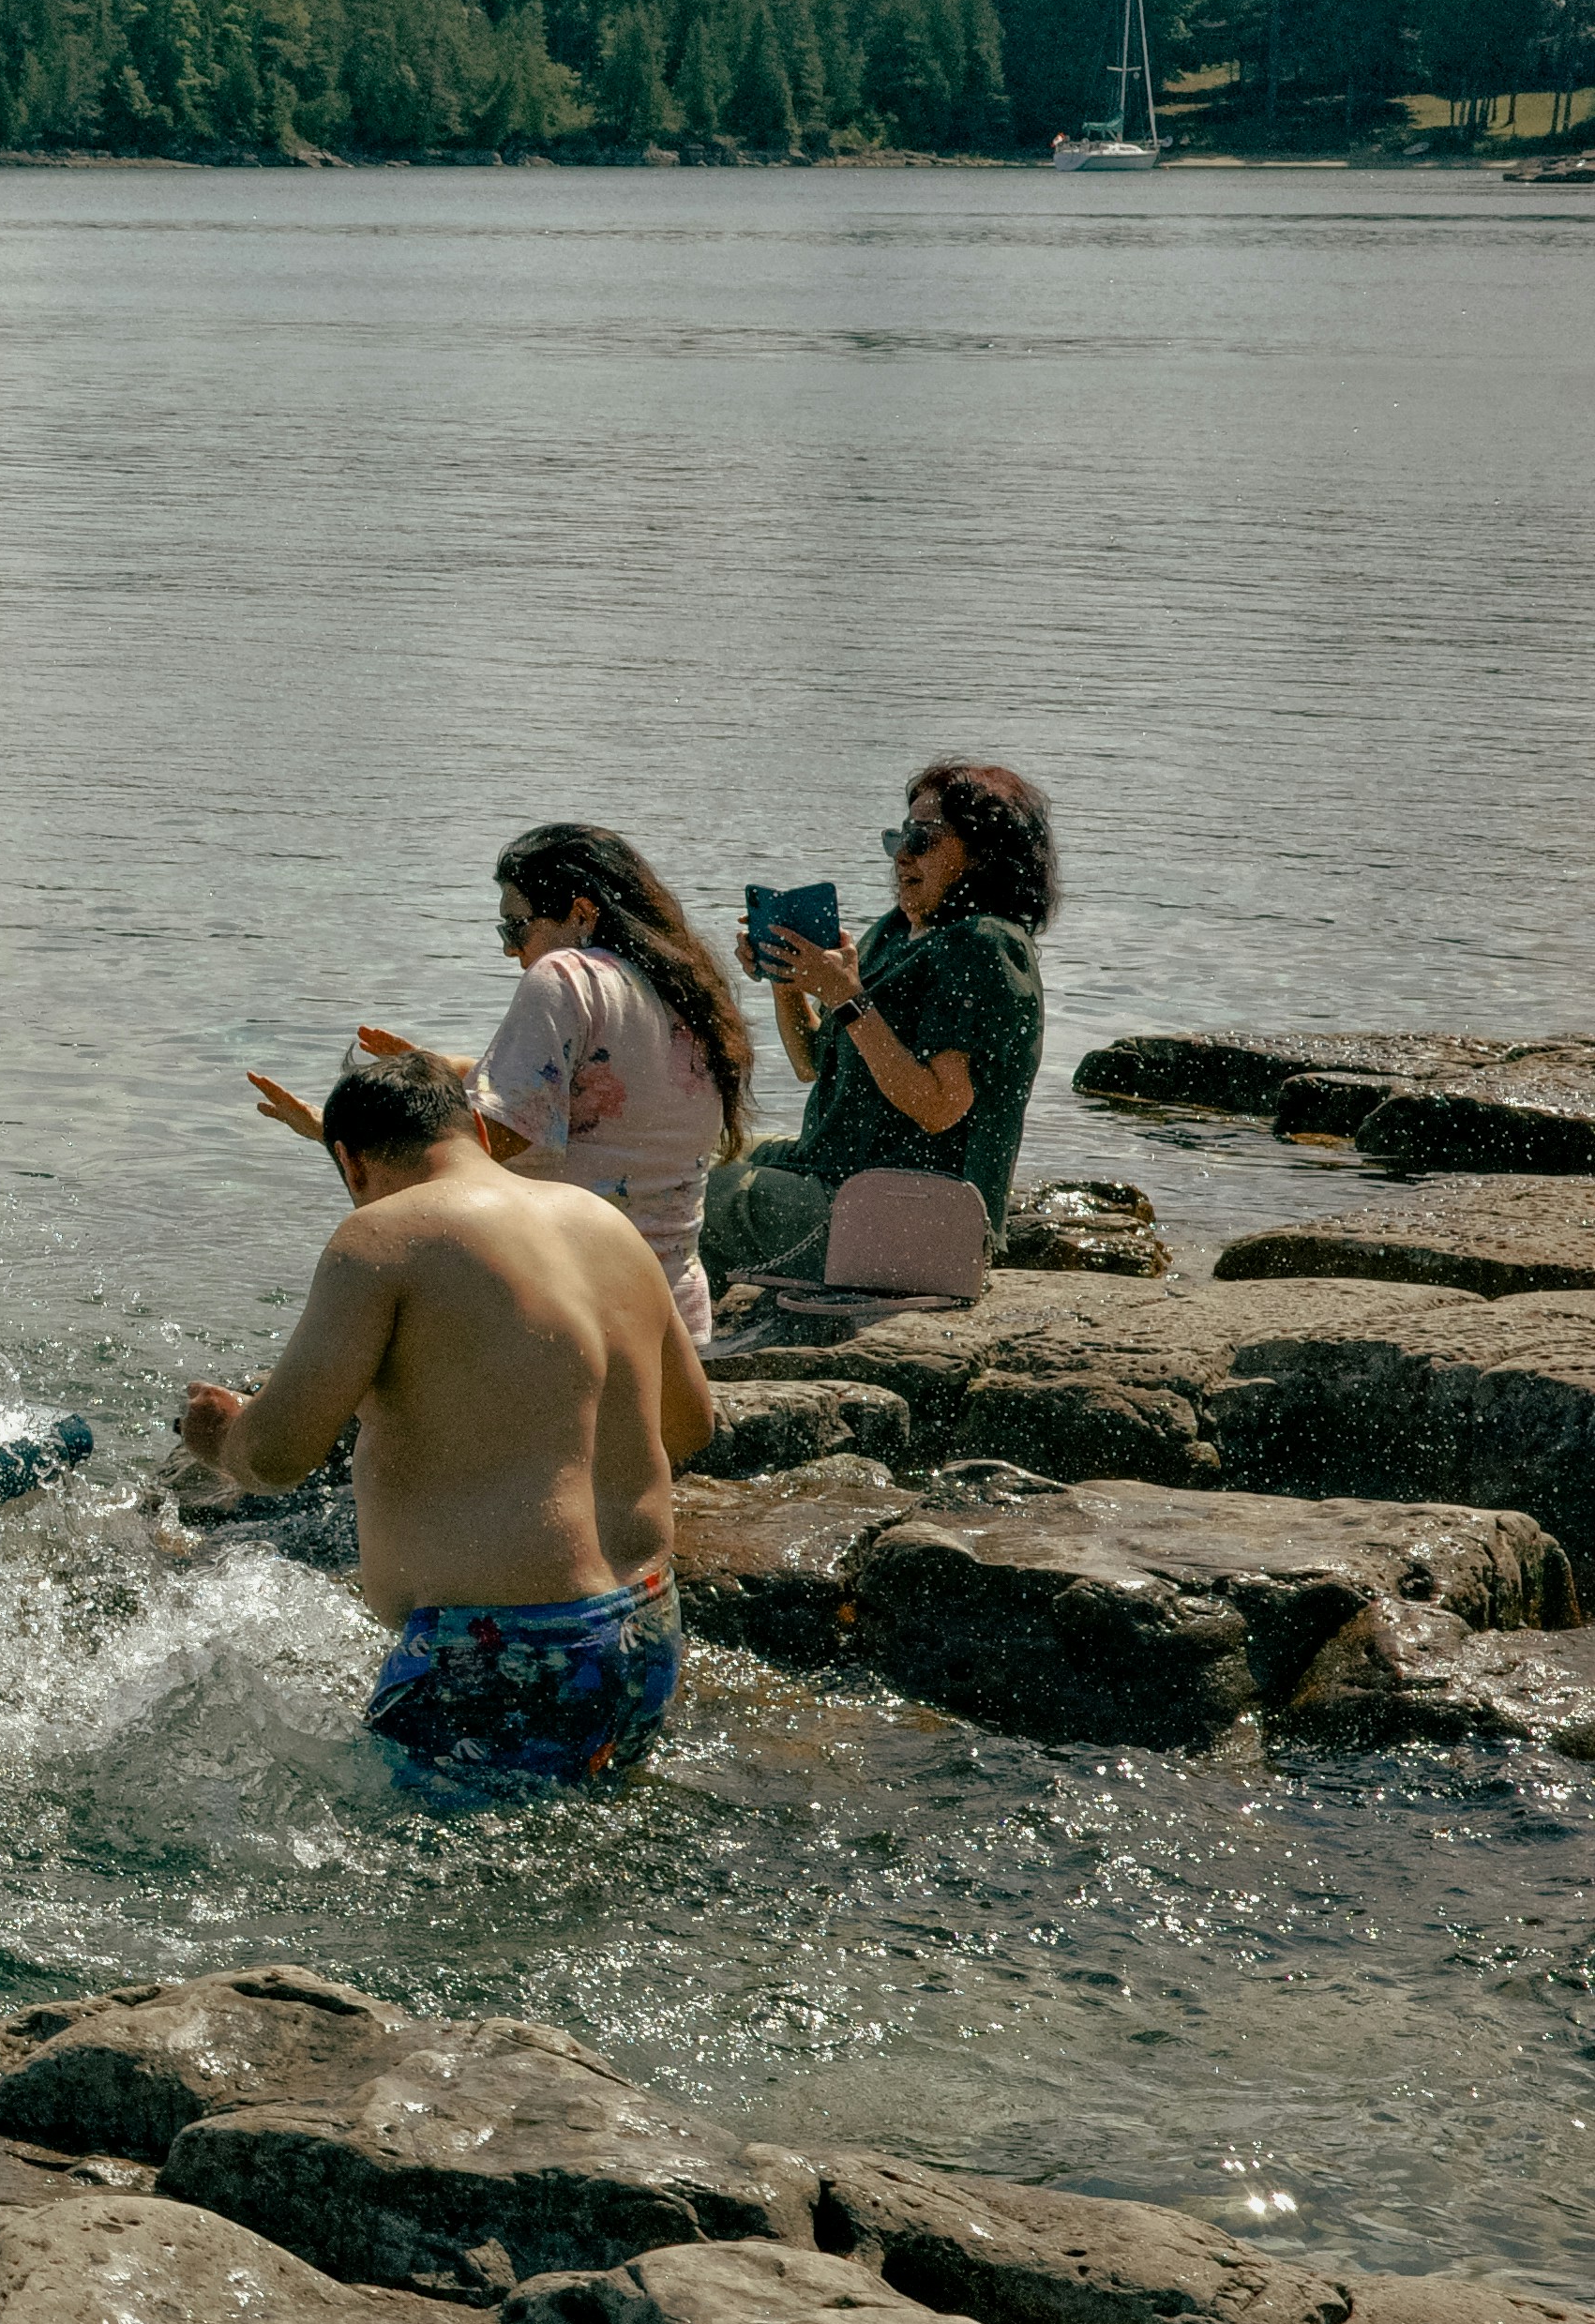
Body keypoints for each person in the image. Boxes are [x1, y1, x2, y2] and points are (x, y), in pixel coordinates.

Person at [180, 1047, 718, 1801]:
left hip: (498, 1652)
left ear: (351, 1163)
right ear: (483, 1135)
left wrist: (218, 1436)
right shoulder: (603, 1222)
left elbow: (275, 1459)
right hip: (646, 1628)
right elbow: (690, 1425)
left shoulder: (380, 1239)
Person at [256, 826, 753, 1345]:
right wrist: (451, 1071)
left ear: (582, 914)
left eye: (516, 926)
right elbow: (602, 1098)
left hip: (569, 1314)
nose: (510, 951)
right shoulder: (690, 993)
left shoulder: (565, 975)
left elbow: (494, 1142)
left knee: (363, 1252)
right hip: (673, 1320)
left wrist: (350, 1139)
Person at [704, 762, 1057, 1288]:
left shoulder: (983, 946)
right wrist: (792, 976)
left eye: (924, 839)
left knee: (674, 1191)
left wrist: (847, 997)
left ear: (984, 853)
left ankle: (666, 1345)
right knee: (683, 1147)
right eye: (899, 837)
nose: (903, 855)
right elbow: (810, 1063)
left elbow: (940, 1106)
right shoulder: (897, 932)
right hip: (837, 1176)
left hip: (905, 1219)